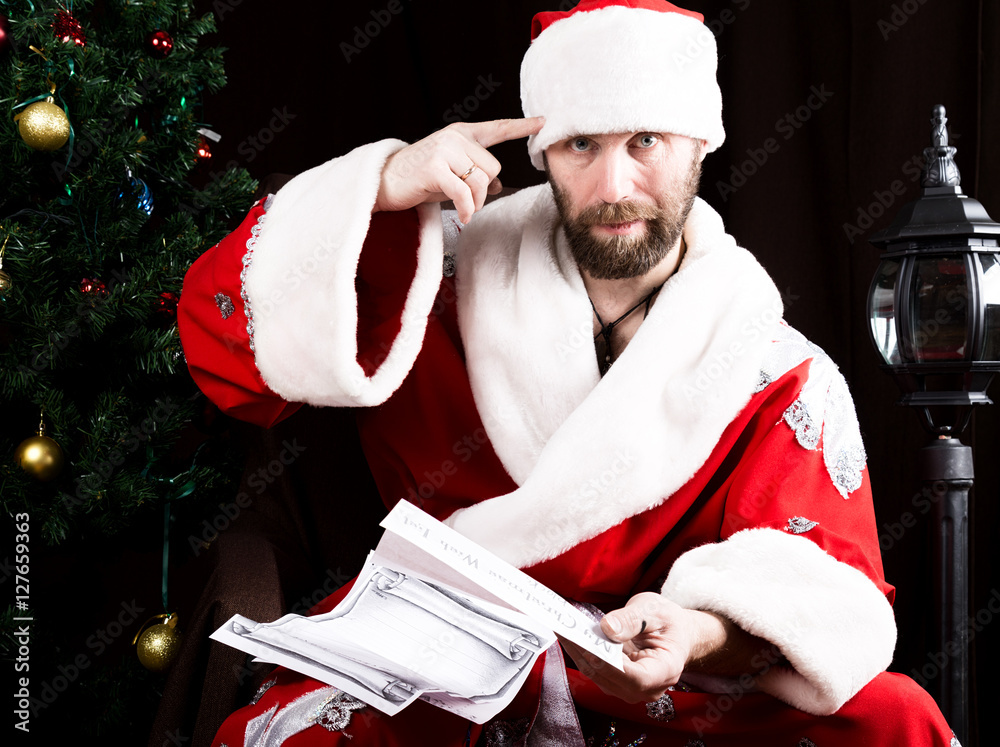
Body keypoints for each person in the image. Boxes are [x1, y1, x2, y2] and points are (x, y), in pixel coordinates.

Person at [177, 1, 957, 744]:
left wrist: (698, 631)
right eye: (582, 145)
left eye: (646, 140)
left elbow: (827, 588)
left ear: (701, 143)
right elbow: (224, 346)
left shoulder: (777, 372)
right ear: (543, 153)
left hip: (662, 691)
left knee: (893, 714)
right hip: (443, 672)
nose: (614, 187)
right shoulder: (434, 275)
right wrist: (380, 187)